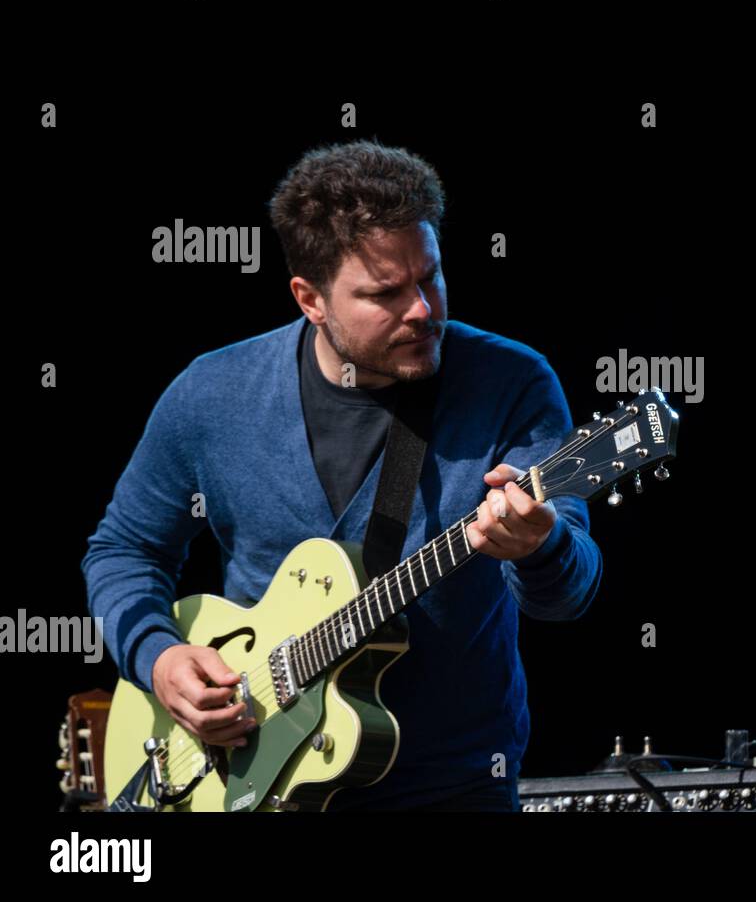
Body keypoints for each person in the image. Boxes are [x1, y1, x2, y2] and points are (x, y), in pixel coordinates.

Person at [83, 140, 602, 811]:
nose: (422, 309)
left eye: (431, 275)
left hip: (452, 787)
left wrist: (543, 545)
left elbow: (569, 592)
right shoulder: (212, 395)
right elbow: (124, 549)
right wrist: (158, 657)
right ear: (310, 298)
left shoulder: (511, 382)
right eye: (385, 293)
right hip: (250, 780)